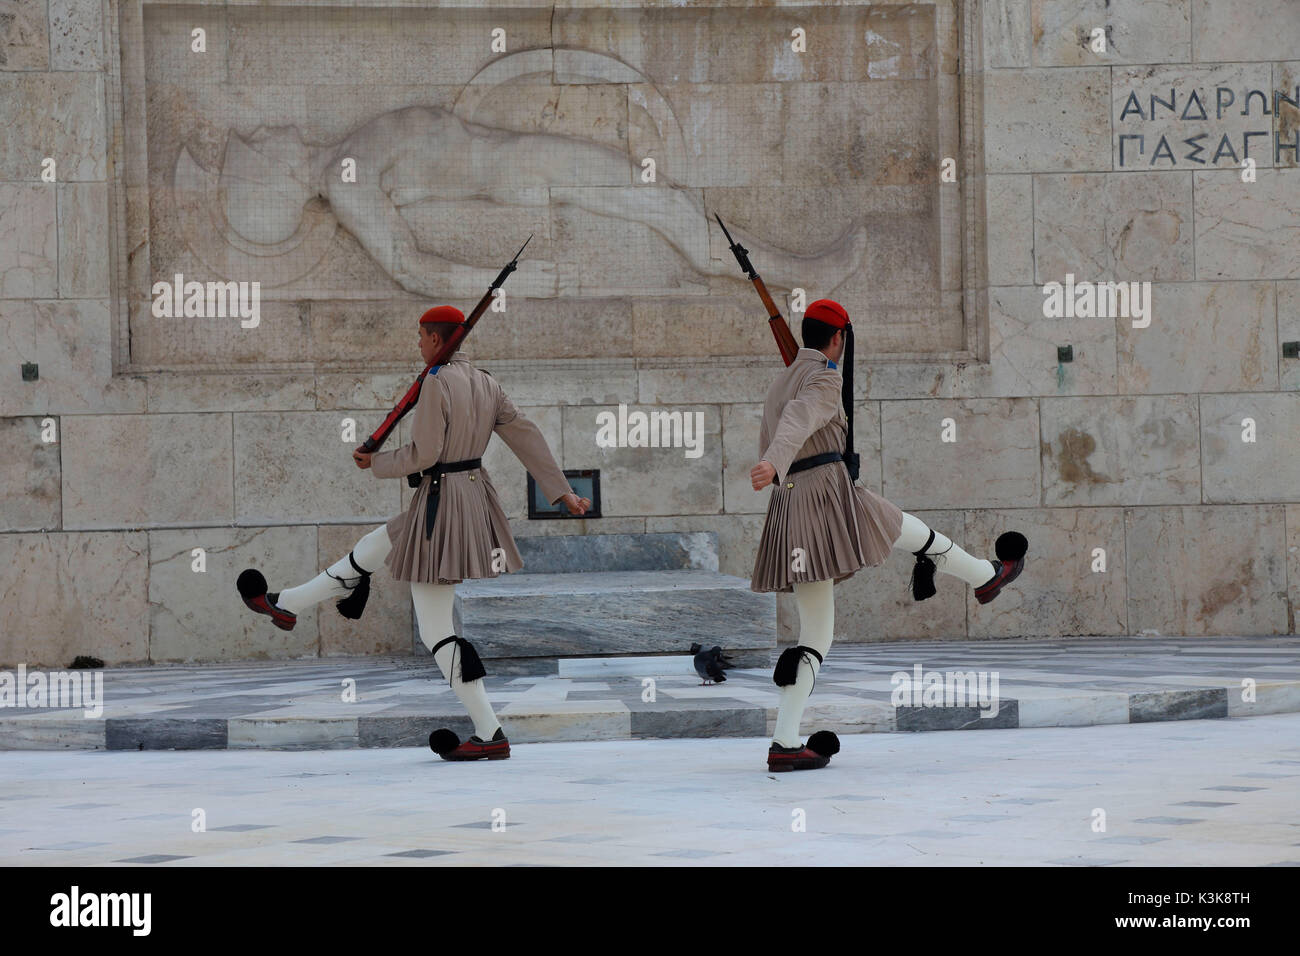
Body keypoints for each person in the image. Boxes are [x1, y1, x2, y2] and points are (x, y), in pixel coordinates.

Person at [237, 305, 590, 761]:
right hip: (467, 497)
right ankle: (287, 605)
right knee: (374, 545)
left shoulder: (437, 384)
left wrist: (375, 463)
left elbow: (425, 454)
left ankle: (490, 731)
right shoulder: (485, 381)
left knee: (437, 631)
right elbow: (526, 435)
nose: (417, 344)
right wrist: (562, 493)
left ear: (439, 339)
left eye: (422, 336)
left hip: (441, 505)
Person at [750, 298, 1027, 772]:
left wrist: (777, 464)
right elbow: (800, 418)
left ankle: (985, 575)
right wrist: (773, 460)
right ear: (837, 339)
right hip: (823, 501)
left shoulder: (784, 378)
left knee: (906, 528)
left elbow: (791, 414)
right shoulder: (821, 377)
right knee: (816, 633)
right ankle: (784, 743)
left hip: (805, 499)